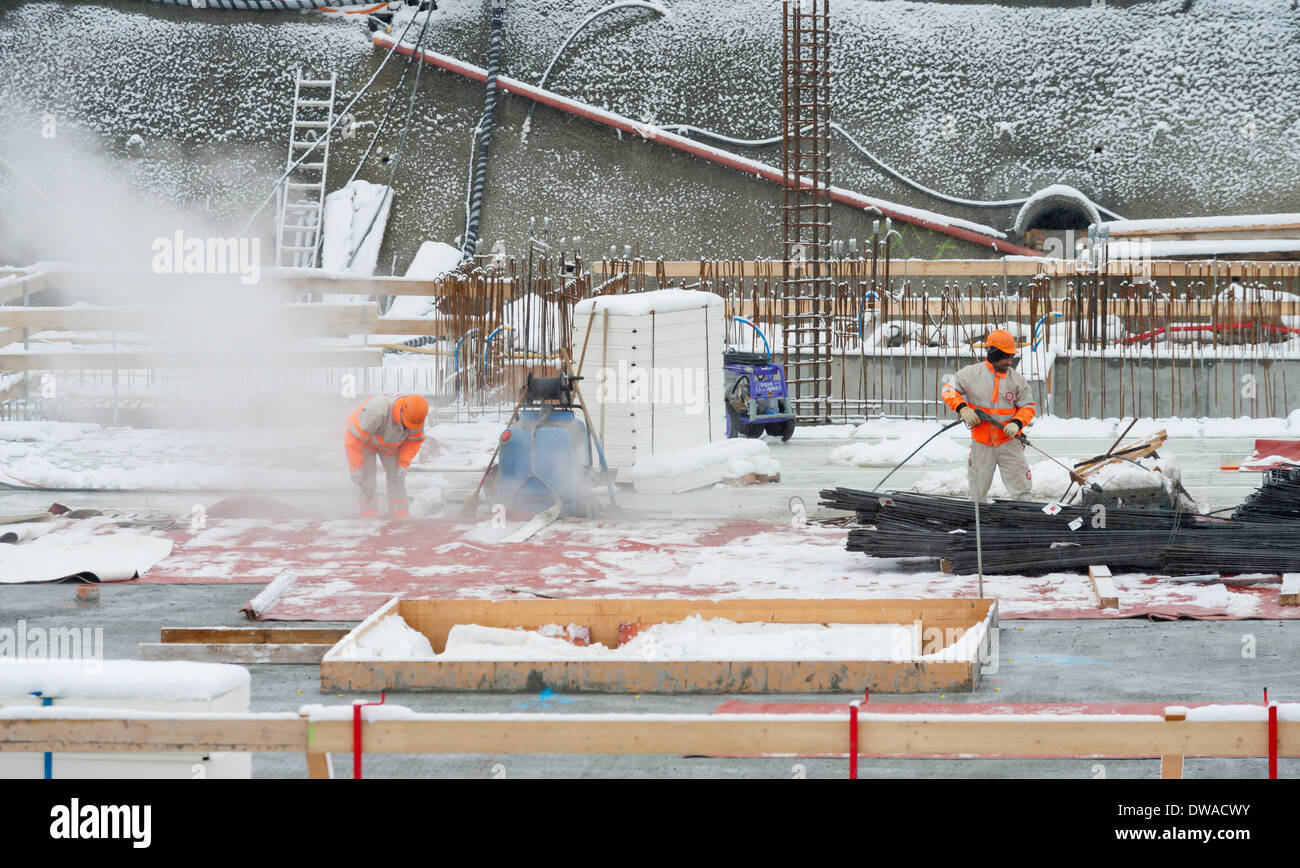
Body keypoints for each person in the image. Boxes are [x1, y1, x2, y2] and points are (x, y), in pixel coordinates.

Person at [940, 330, 1037, 502]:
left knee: (1022, 491)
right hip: (982, 443)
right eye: (1005, 357)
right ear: (992, 353)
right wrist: (962, 408)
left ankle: (1024, 523)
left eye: (1011, 357)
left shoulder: (1017, 381)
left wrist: (1017, 423)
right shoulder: (970, 374)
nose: (1009, 361)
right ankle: (979, 525)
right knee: (977, 494)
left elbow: (1028, 407)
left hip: (1010, 443)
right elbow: (948, 390)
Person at [345, 393, 428, 518]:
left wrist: (403, 463)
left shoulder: (416, 417)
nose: (408, 427)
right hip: (366, 444)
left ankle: (400, 515)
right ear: (402, 410)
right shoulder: (376, 411)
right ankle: (369, 515)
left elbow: (413, 441)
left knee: (397, 478)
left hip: (390, 446)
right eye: (407, 423)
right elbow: (353, 437)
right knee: (367, 480)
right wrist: (355, 467)